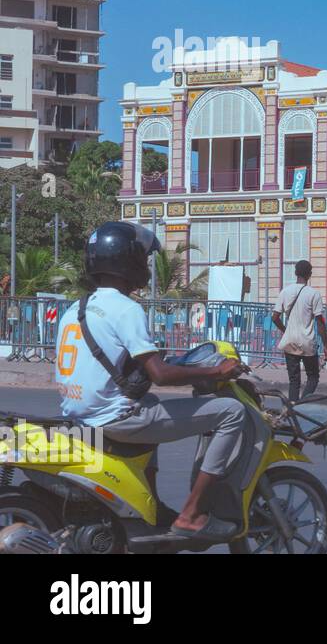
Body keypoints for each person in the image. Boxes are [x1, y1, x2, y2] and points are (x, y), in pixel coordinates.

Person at [55, 221, 247, 541]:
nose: (145, 266)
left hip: (78, 417)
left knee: (149, 402)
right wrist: (216, 371)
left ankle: (152, 505)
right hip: (114, 420)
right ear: (126, 261)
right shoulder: (126, 309)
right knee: (231, 412)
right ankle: (192, 514)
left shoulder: (76, 308)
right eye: (142, 259)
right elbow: (160, 374)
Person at [271, 260, 327, 401]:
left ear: (295, 273)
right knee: (313, 377)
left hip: (290, 341)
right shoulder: (314, 294)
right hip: (307, 342)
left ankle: (292, 408)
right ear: (309, 274)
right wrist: (326, 345)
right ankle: (303, 404)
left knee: (294, 380)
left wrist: (286, 331)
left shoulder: (285, 291)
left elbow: (274, 317)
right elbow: (320, 322)